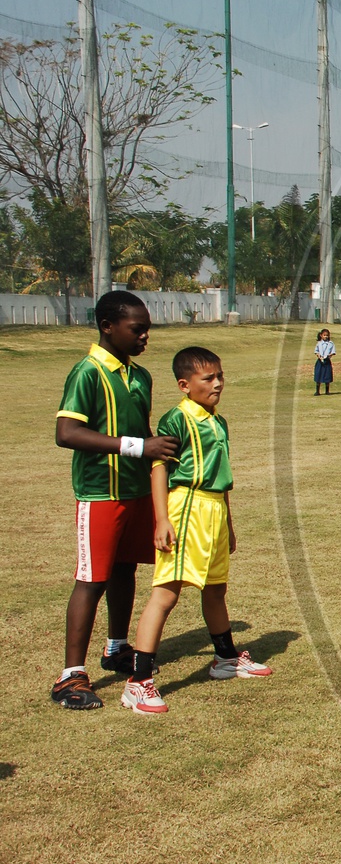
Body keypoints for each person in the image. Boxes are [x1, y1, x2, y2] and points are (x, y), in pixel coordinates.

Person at [120, 346, 272, 715]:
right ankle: (138, 682)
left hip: (214, 510)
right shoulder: (177, 419)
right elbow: (159, 469)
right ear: (185, 384)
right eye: (209, 378)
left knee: (216, 589)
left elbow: (222, 480)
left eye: (220, 376)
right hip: (186, 507)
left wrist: (229, 525)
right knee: (167, 594)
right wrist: (161, 519)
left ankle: (225, 658)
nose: (218, 383)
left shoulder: (218, 421)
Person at [51, 291, 179, 710]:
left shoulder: (139, 375)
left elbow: (143, 432)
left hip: (136, 490)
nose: (145, 337)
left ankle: (116, 648)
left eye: (147, 329)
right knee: (92, 579)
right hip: (100, 493)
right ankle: (71, 676)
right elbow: (67, 433)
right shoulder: (87, 372)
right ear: (108, 326)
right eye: (137, 329)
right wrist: (137, 448)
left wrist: (155, 455)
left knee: (126, 570)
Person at [313, 328, 335, 396]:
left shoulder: (331, 343)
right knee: (318, 375)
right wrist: (318, 355)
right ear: (321, 335)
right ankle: (317, 391)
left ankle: (327, 391)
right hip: (320, 361)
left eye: (327, 335)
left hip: (327, 361)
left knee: (327, 375)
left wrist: (330, 355)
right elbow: (316, 351)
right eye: (324, 335)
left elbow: (333, 352)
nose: (326, 336)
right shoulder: (319, 343)